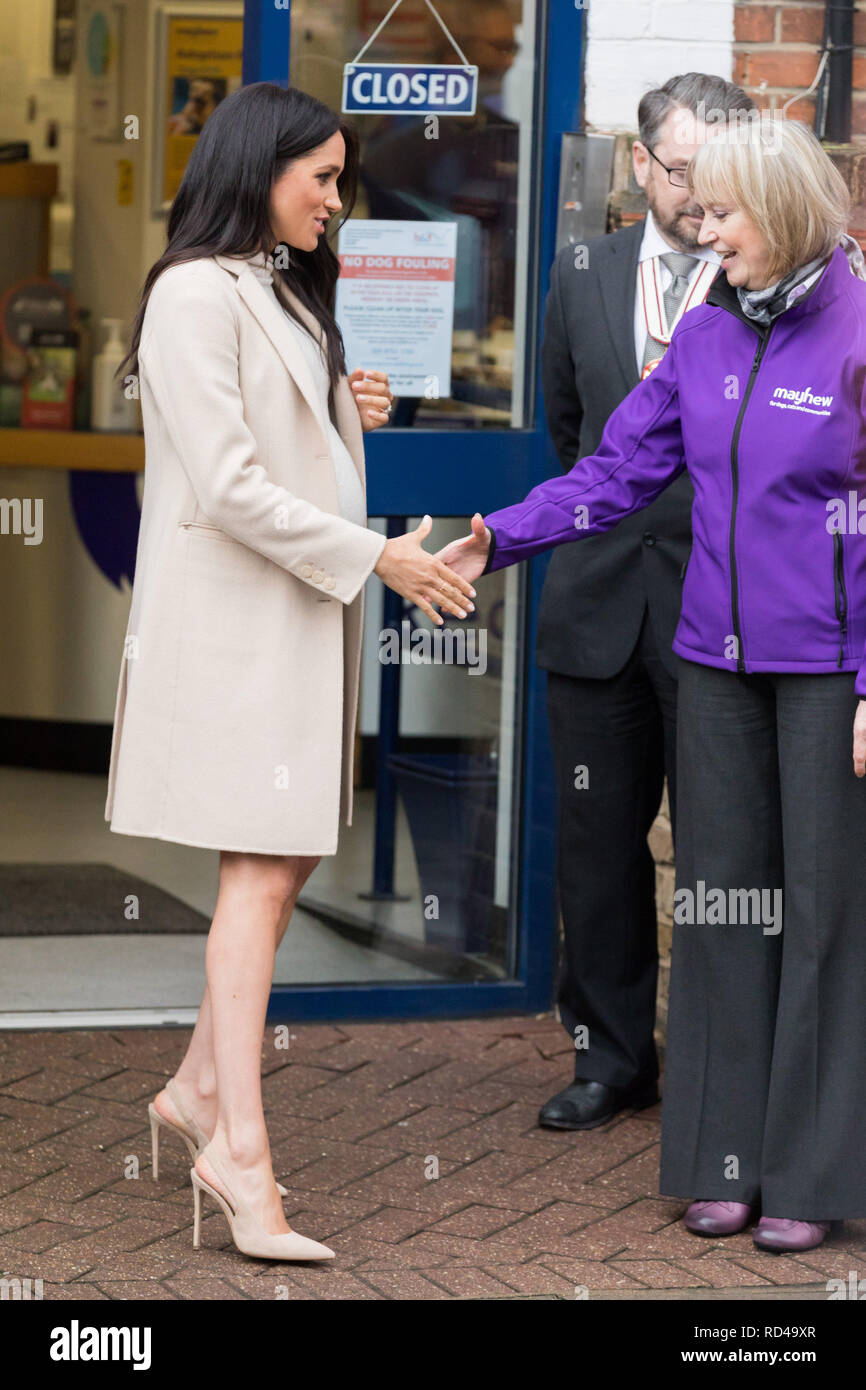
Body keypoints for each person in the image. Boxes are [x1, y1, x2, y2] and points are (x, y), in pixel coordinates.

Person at [438, 117, 866, 1253]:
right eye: (699, 206)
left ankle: (811, 1172)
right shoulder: (707, 329)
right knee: (720, 907)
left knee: (822, 917)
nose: (703, 227)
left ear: (777, 212)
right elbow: (619, 466)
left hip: (827, 671)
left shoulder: (856, 329)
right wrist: (498, 537)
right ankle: (724, 1162)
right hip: (714, 666)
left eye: (722, 212)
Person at [105, 82, 475, 1263]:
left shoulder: (274, 283)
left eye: (338, 175)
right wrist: (383, 559)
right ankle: (241, 1157)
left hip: (292, 626)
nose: (334, 197)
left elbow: (283, 449)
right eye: (318, 174)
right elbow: (224, 484)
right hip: (237, 636)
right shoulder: (190, 294)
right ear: (255, 164)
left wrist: (342, 408)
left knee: (291, 848)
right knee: (260, 877)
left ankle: (189, 1094)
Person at [533, 74, 752, 1133]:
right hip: (594, 609)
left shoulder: (763, 277)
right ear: (637, 163)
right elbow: (567, 432)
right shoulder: (579, 273)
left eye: (714, 176)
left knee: (721, 854)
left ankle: (722, 1071)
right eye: (677, 173)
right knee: (595, 844)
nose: (694, 197)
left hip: (719, 613)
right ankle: (611, 1056)